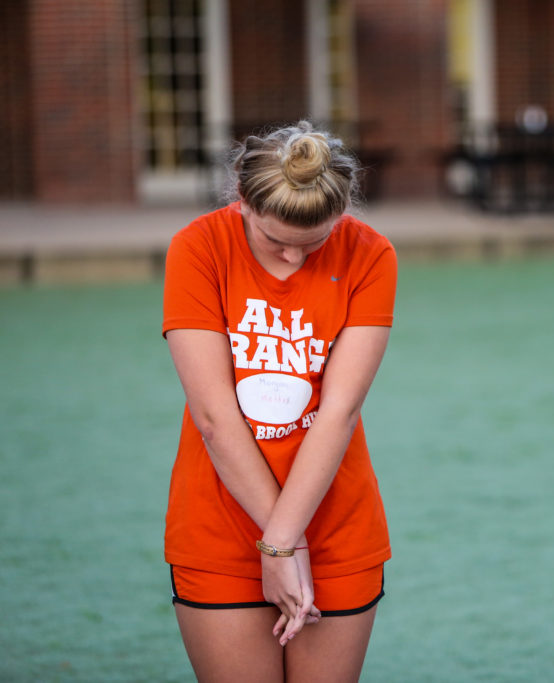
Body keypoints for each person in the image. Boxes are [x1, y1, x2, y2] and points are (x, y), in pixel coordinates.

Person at [162, 121, 396, 682]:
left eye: (313, 243)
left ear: (340, 214)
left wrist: (284, 542)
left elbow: (339, 412)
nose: (293, 258)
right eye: (275, 241)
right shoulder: (198, 247)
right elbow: (215, 418)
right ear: (242, 201)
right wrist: (284, 548)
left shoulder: (370, 254)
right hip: (218, 529)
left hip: (336, 529)